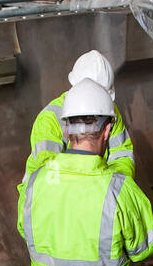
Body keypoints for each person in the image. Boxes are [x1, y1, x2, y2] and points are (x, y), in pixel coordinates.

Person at [17, 78, 153, 266]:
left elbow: (24, 230)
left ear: (66, 129)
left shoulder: (35, 181)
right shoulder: (119, 188)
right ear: (108, 131)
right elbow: (144, 248)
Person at [23, 49, 135, 182]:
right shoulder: (49, 119)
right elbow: (49, 177)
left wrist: (112, 189)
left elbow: (122, 158)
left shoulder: (109, 111)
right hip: (47, 196)